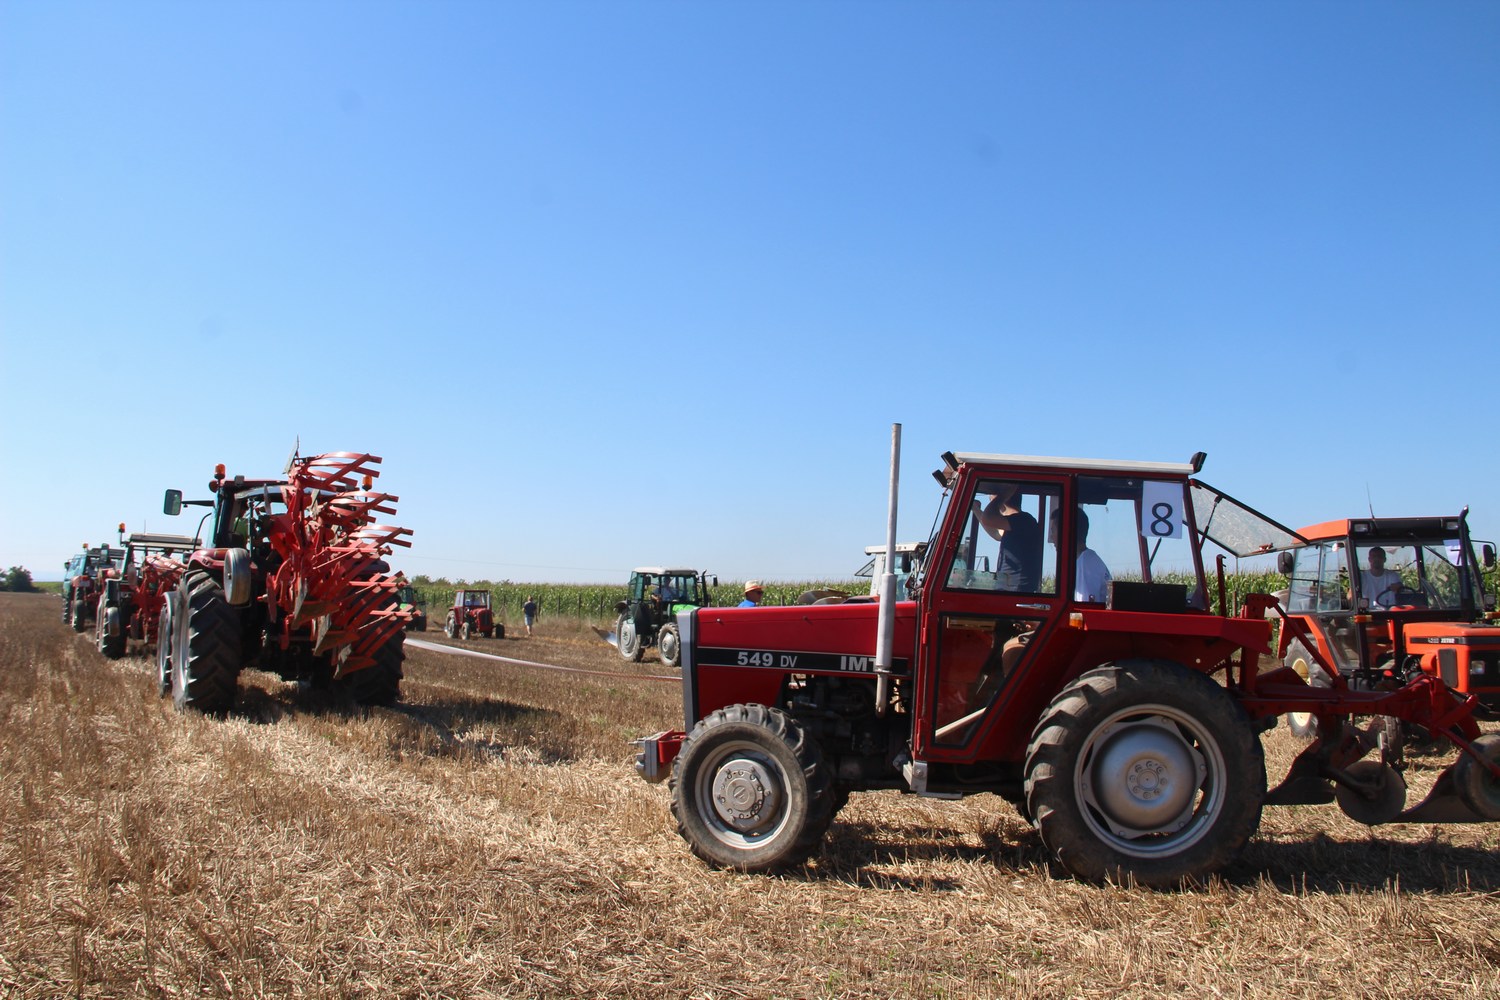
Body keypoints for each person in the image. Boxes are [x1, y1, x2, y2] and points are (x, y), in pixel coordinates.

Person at [974, 484, 1043, 592]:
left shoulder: (1023, 520)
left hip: (1017, 591)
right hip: (1010, 590)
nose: (990, 502)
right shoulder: (1018, 523)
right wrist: (975, 508)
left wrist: (1002, 496)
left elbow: (988, 518)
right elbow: (996, 533)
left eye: (991, 499)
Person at [1071, 509, 1111, 603]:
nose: (1052, 537)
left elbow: (1084, 608)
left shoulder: (1085, 564)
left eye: (1053, 531)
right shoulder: (1087, 559)